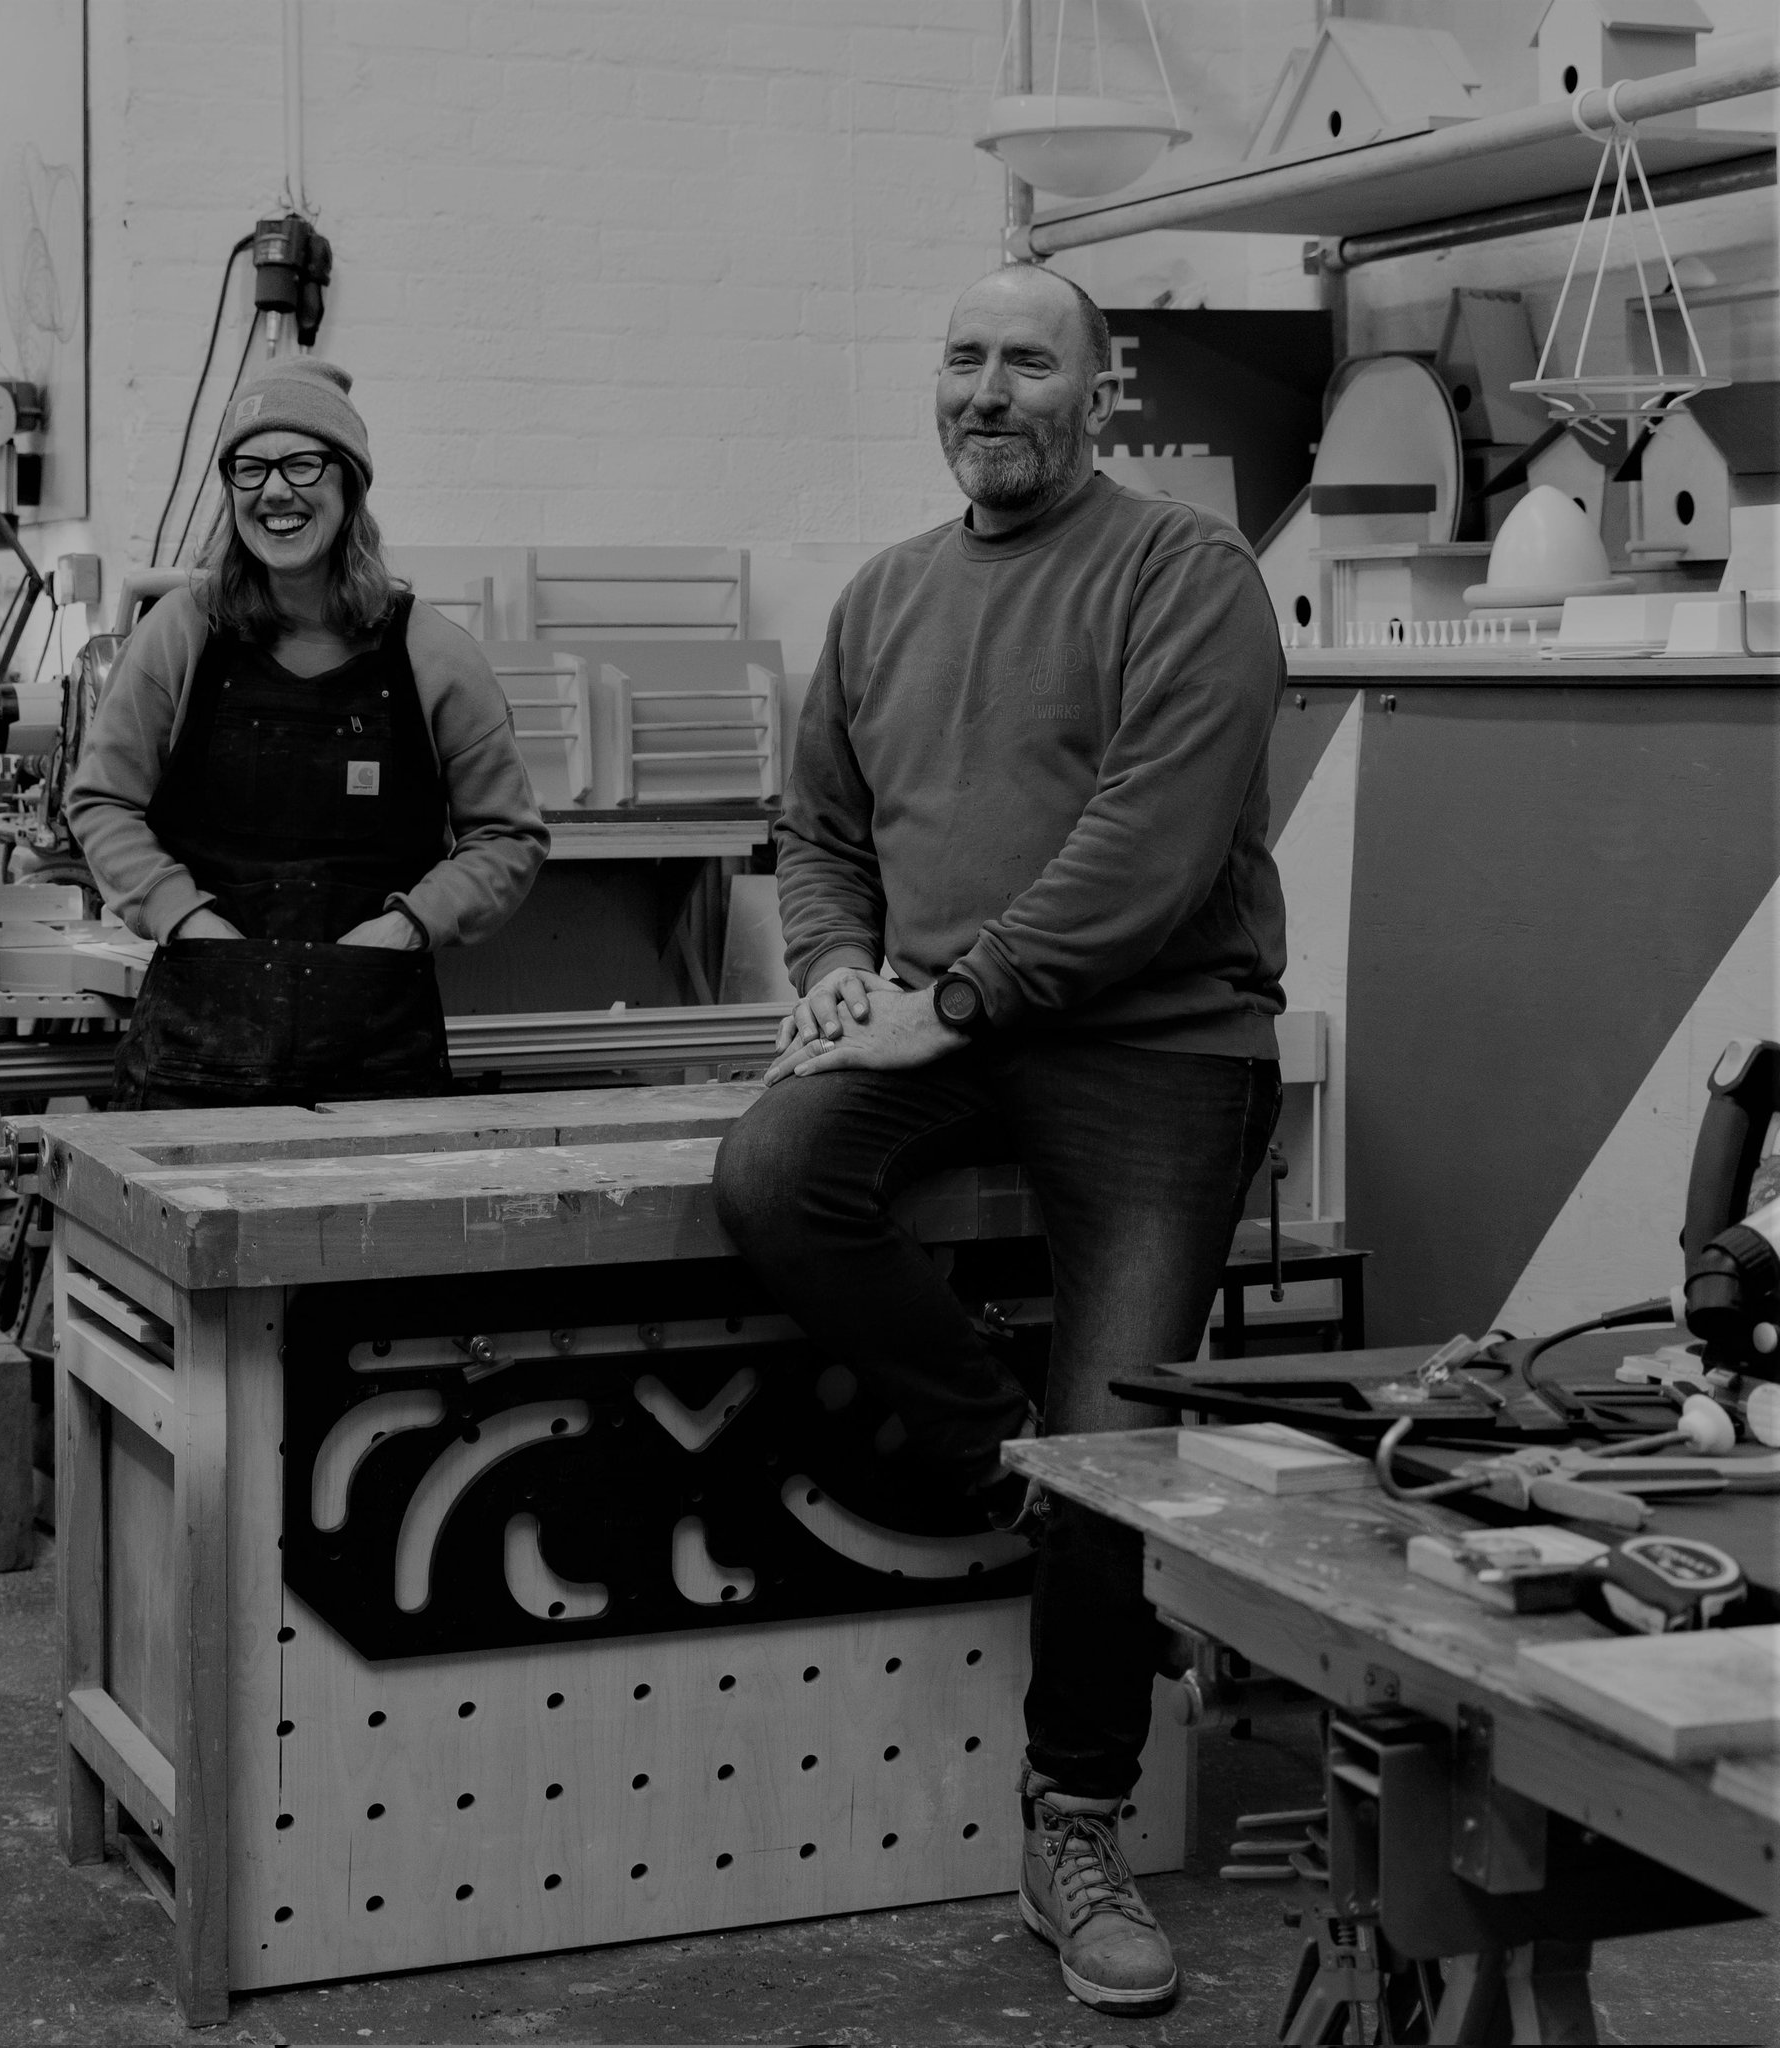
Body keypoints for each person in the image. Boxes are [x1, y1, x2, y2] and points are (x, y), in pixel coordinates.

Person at [711, 265, 1286, 2015]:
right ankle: (1025, 1479)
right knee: (776, 1176)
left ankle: (1075, 1822)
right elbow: (818, 828)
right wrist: (834, 971)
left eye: (1029, 362)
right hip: (937, 1018)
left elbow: (1149, 847)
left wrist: (955, 996)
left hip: (1152, 1039)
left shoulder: (1186, 573)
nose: (988, 390)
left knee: (1122, 1422)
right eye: (962, 358)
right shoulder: (886, 596)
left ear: (1099, 393)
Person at [69, 358, 547, 1109]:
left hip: (376, 1045)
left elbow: (508, 836)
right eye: (250, 468)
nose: (274, 490)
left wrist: (409, 926)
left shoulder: (434, 653)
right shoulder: (180, 634)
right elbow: (103, 801)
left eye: (301, 463)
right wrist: (183, 917)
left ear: (350, 483)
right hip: (197, 1045)